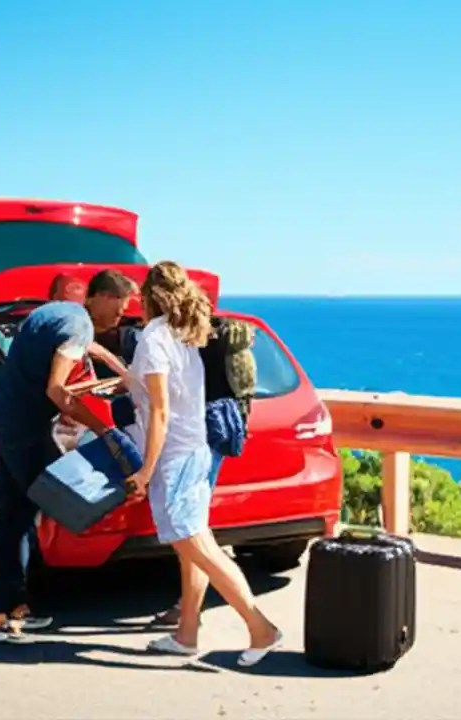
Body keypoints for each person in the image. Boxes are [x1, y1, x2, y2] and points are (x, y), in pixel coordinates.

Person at [121, 261, 282, 666]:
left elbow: (159, 411)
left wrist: (144, 471)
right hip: (195, 449)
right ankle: (186, 634)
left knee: (199, 548)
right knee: (196, 545)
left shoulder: (154, 339)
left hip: (174, 456)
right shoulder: (183, 334)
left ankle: (261, 629)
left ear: (149, 298)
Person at [0, 268, 137, 643]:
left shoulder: (57, 313)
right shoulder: (78, 326)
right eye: (119, 311)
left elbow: (80, 350)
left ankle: (9, 611)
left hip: (1, 425)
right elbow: (56, 389)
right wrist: (102, 430)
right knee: (57, 505)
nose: (118, 319)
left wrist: (123, 372)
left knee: (14, 519)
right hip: (27, 433)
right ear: (103, 297)